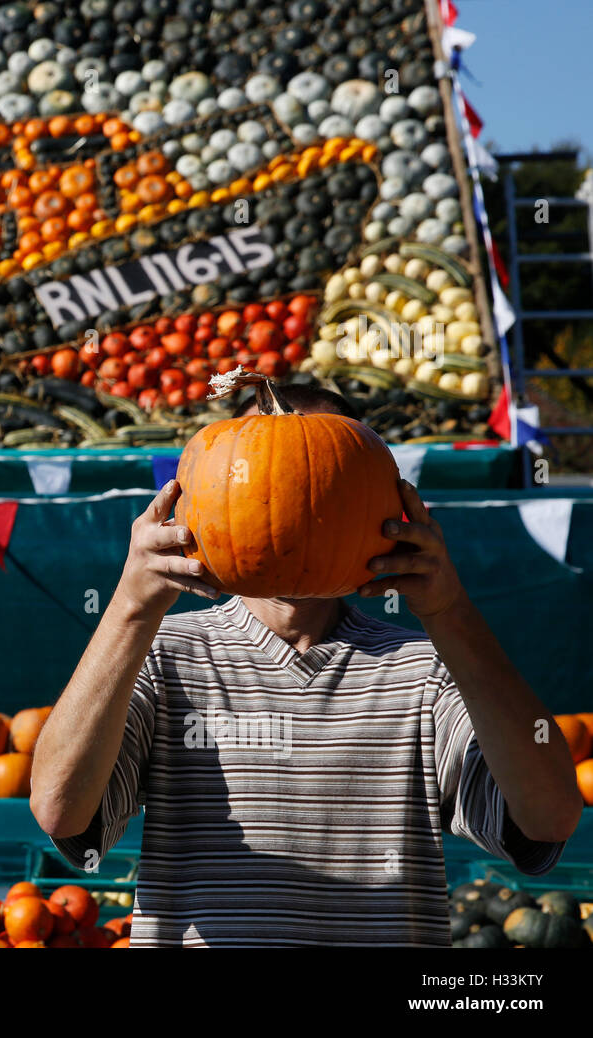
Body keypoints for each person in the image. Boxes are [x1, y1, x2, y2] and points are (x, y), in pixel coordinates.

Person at [30, 384, 583, 947]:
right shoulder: (162, 655)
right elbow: (60, 811)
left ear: (379, 502)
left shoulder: (426, 672)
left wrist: (450, 613)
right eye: (258, 474)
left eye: (324, 477)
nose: (291, 500)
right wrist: (128, 608)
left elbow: (549, 817)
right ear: (203, 496)